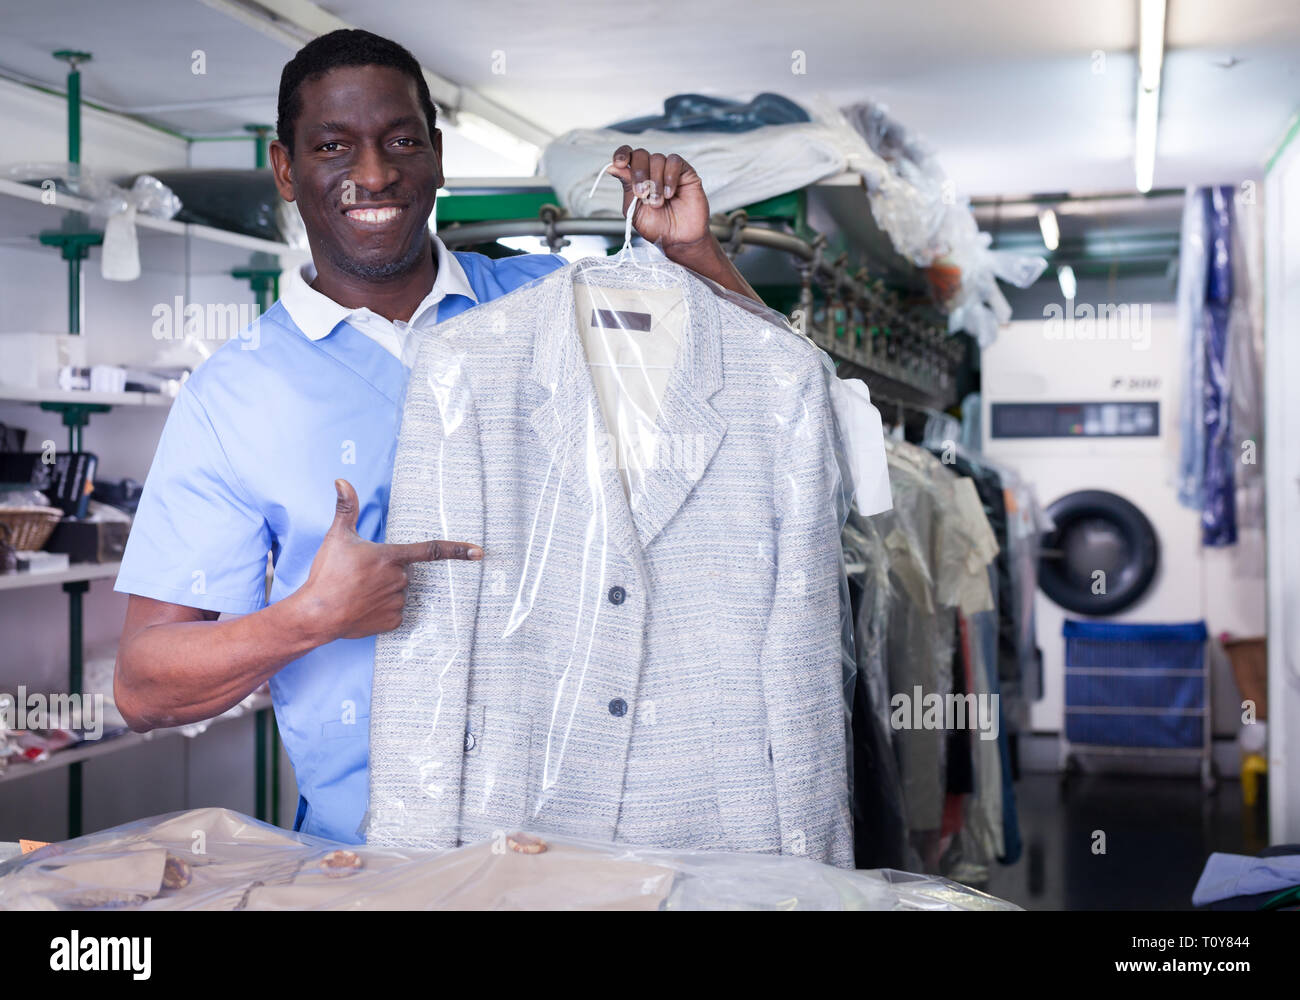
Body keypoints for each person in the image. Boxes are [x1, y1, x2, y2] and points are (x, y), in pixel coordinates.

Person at [113, 29, 763, 843]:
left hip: (591, 837)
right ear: (286, 169)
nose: (375, 173)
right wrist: (311, 615)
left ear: (438, 154)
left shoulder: (554, 303)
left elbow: (755, 395)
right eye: (333, 146)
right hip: (374, 856)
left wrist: (696, 254)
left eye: (400, 141)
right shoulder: (234, 394)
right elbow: (144, 685)